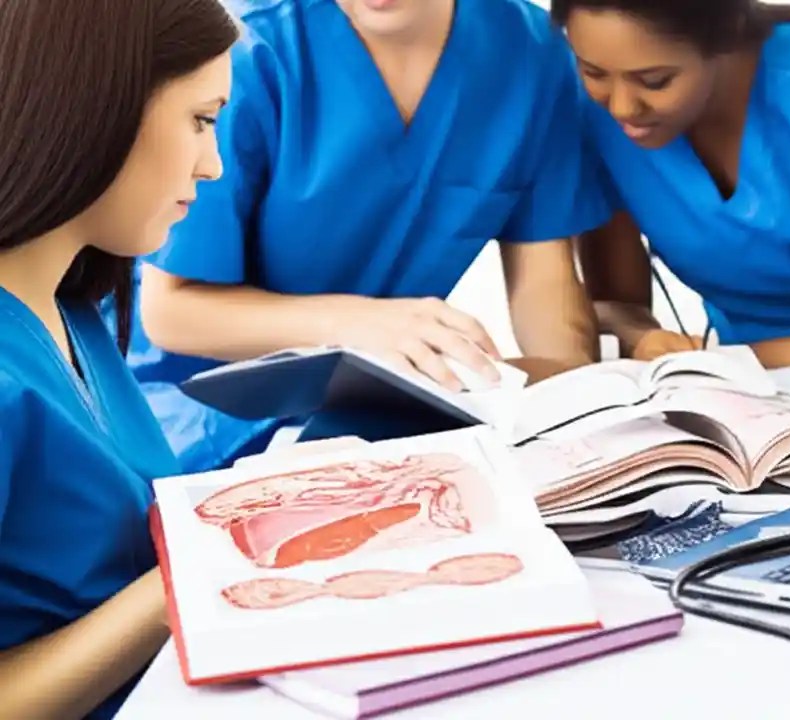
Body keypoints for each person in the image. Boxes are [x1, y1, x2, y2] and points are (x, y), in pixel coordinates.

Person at [134, 0, 611, 472]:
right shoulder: (248, 49)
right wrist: (356, 326)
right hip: (198, 416)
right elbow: (171, 312)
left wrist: (580, 404)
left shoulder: (531, 53)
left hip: (373, 415)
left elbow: (543, 283)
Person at [0, 0, 237, 716]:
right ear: (94, 106)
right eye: (201, 119)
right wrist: (174, 589)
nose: (214, 164)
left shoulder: (74, 311)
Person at [549, 0, 790, 401]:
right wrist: (645, 338)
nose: (622, 106)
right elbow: (615, 305)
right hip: (742, 393)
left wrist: (737, 358)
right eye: (593, 72)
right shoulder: (593, 116)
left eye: (656, 80)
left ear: (726, 34)